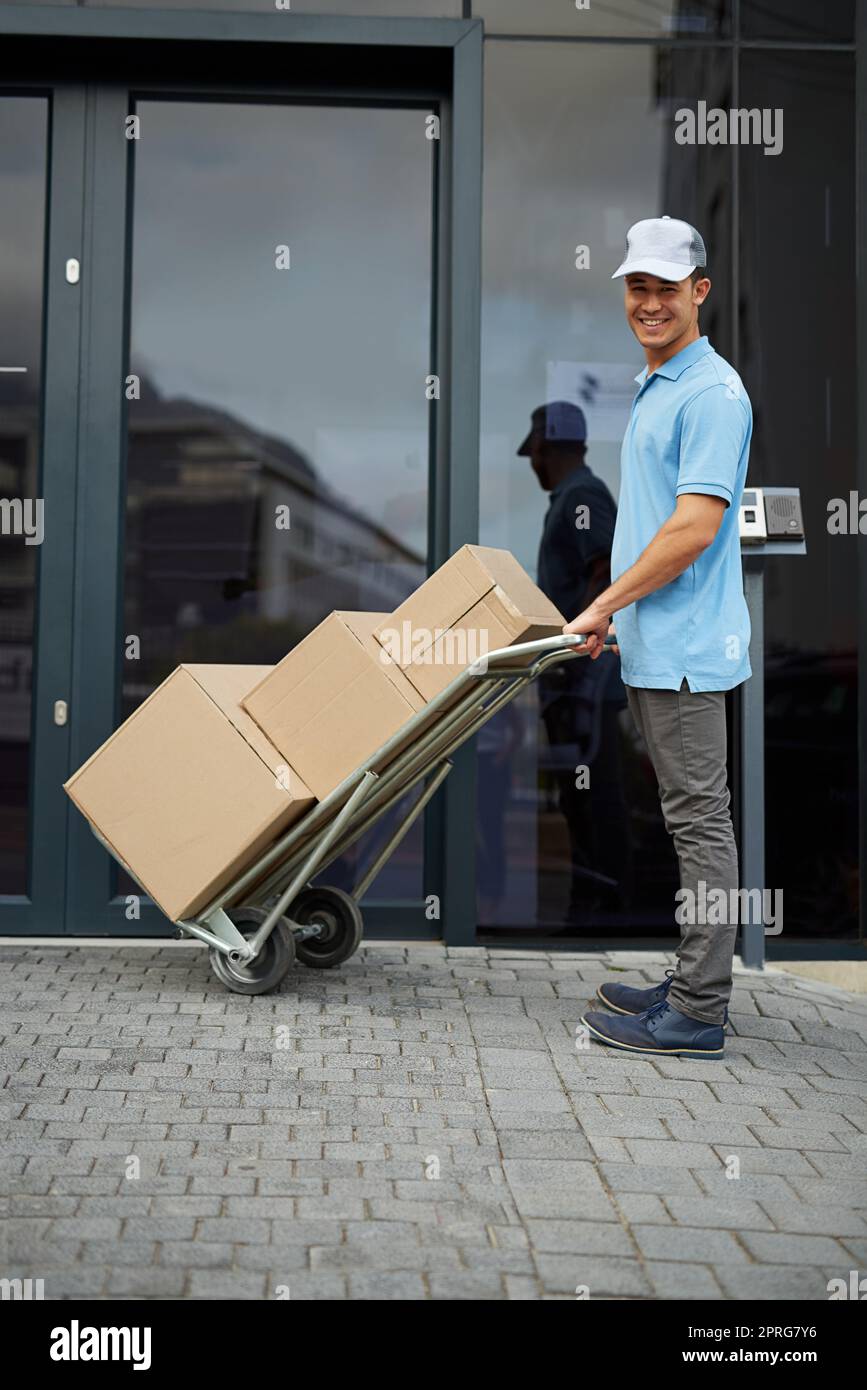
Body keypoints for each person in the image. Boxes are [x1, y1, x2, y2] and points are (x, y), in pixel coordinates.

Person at [567, 216, 752, 1060]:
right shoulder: (659, 385)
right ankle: (687, 983)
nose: (647, 303)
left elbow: (690, 531)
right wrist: (618, 613)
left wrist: (603, 604)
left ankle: (699, 1009)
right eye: (635, 288)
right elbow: (653, 521)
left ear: (699, 292)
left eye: (664, 289)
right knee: (687, 822)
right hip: (655, 644)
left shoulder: (711, 394)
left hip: (684, 654)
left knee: (699, 825)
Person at [516, 401, 631, 922]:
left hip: (585, 681)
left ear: (545, 448)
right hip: (575, 680)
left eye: (535, 452)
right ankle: (593, 904)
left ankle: (604, 910)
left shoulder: (581, 494)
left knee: (594, 798)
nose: (532, 464)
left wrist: (581, 651)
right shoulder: (569, 497)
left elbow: (606, 570)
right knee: (580, 799)